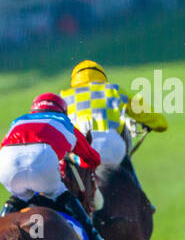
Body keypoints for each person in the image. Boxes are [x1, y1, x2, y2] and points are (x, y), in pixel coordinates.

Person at [0, 93, 106, 240]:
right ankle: (94, 238)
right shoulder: (65, 122)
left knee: (19, 198)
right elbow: (92, 158)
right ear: (62, 111)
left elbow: (5, 145)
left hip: (5, 163)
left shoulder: (19, 121)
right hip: (42, 163)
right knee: (61, 194)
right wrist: (76, 160)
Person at [59, 60, 166, 191]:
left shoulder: (63, 96)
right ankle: (144, 203)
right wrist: (157, 125)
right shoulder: (114, 90)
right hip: (113, 149)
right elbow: (159, 121)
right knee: (128, 168)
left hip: (82, 155)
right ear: (103, 78)